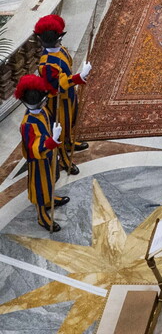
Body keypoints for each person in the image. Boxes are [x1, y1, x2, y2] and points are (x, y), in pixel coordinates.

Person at [35, 12, 91, 178]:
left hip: (69, 95)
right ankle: (64, 160)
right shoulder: (46, 64)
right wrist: (79, 77)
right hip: (58, 100)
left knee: (70, 121)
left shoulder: (62, 50)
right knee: (60, 128)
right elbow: (58, 84)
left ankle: (69, 142)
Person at [15, 73, 68, 232]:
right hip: (38, 161)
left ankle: (49, 199)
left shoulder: (41, 111)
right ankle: (42, 216)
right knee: (40, 187)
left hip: (49, 154)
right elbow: (34, 149)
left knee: (52, 179)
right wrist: (53, 141)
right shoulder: (28, 124)